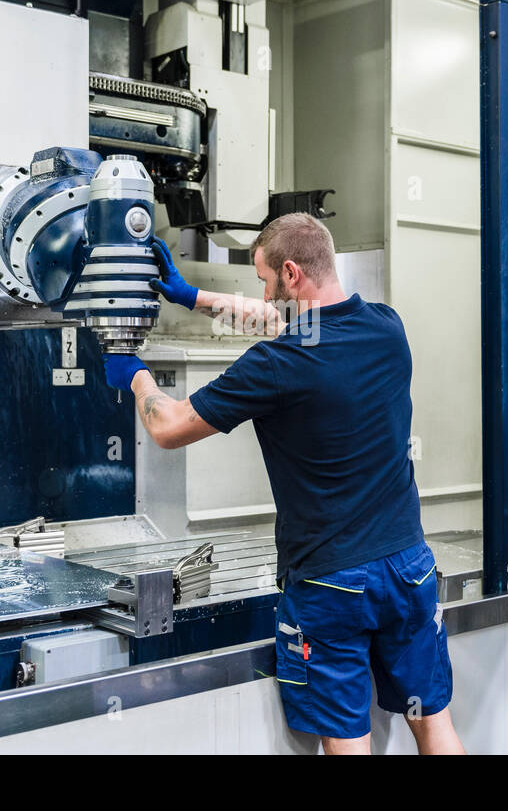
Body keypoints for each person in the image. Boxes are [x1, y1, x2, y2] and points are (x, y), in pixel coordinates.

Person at [102, 214, 465, 755]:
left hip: (333, 584)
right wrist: (191, 296)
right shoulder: (387, 327)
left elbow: (168, 427)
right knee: (434, 722)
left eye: (265, 282)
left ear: (291, 273)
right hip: (409, 570)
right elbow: (289, 322)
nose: (263, 296)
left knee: (347, 741)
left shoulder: (277, 364)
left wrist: (135, 373)